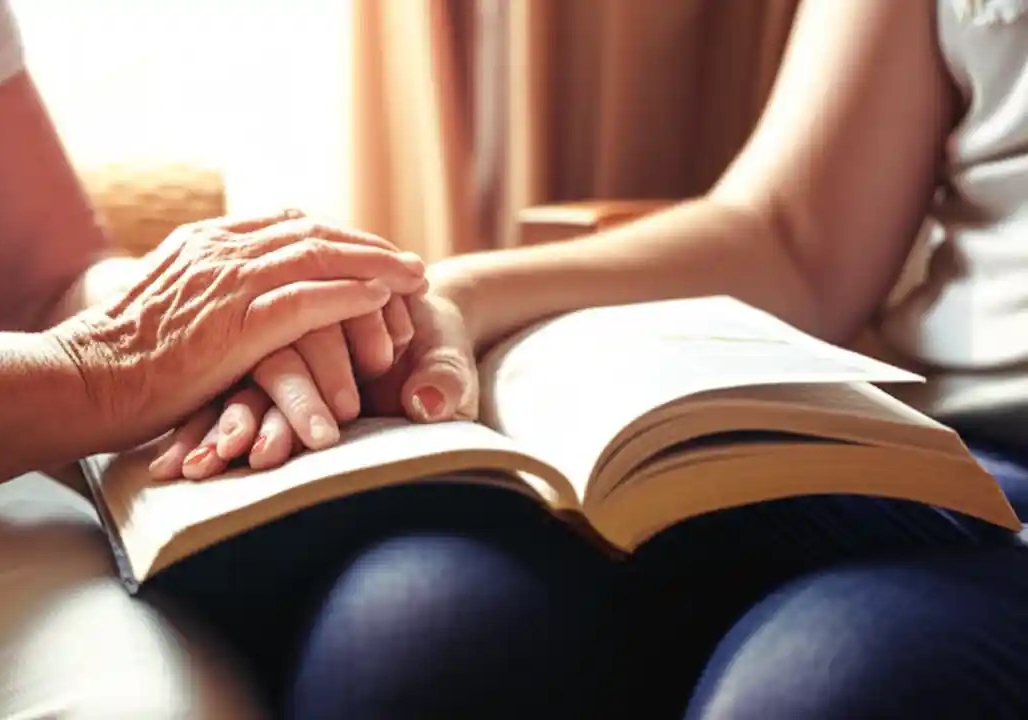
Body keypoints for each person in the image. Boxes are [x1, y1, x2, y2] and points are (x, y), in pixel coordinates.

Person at [173, 0, 1028, 717]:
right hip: (936, 457)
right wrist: (448, 299)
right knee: (419, 624)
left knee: (826, 684)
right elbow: (794, 243)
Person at [0, 1, 431, 717]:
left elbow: (35, 285)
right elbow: (95, 354)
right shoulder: (96, 371)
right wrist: (103, 370)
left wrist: (245, 322)